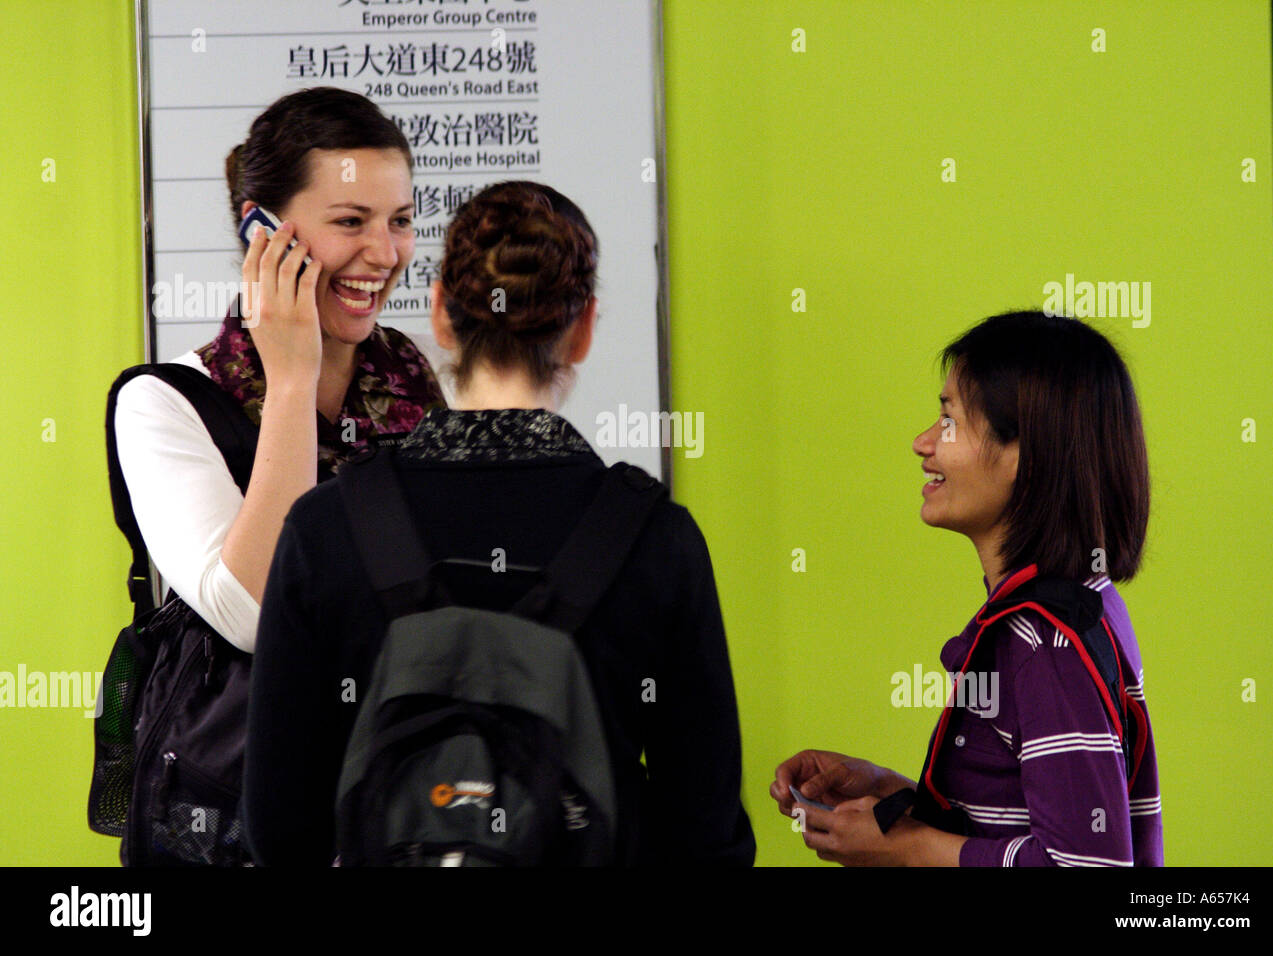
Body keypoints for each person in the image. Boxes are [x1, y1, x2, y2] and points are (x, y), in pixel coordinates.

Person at [244, 180, 757, 866]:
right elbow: (705, 831)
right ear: (583, 330)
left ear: (441, 319)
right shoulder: (656, 538)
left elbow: (278, 830)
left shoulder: (325, 528)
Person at [772, 311, 1162, 866]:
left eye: (949, 421)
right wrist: (886, 790)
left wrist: (906, 848)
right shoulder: (1079, 601)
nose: (922, 443)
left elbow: (1085, 865)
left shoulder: (1045, 641)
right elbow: (1018, 819)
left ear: (1025, 455)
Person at [113, 87, 445, 651]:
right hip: (266, 738)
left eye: (400, 221)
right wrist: (292, 381)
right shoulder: (163, 403)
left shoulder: (426, 371)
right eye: (350, 221)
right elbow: (253, 617)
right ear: (261, 231)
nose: (386, 254)